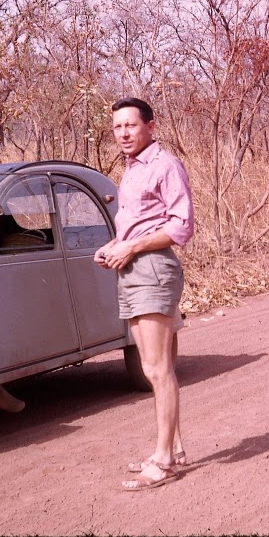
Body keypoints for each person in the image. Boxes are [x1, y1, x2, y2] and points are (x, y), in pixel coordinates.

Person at [94, 97, 195, 491]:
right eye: (117, 127)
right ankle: (173, 448)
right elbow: (139, 226)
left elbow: (181, 228)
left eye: (131, 126)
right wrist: (115, 245)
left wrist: (132, 248)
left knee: (156, 369)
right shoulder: (132, 169)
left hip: (153, 270)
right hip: (134, 269)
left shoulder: (165, 166)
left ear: (150, 126)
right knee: (158, 368)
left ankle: (165, 460)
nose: (123, 134)